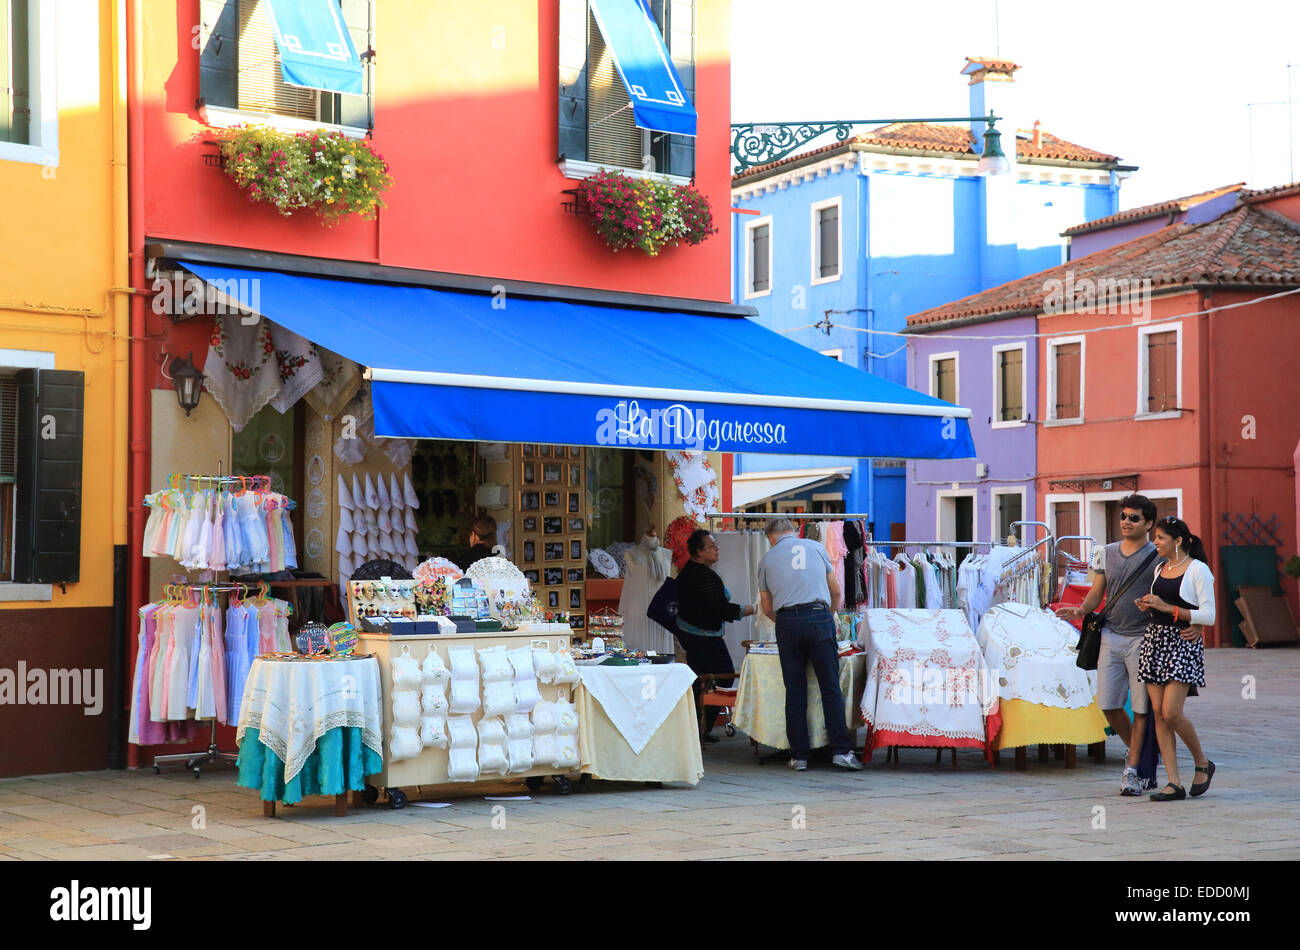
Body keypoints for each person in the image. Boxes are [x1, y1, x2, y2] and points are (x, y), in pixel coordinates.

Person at [1056, 494, 1160, 796]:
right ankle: (1137, 753)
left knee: (1141, 708)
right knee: (1109, 705)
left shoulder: (1157, 556)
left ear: (1149, 523)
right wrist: (1079, 609)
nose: (1126, 522)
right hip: (1110, 636)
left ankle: (1132, 770)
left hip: (1144, 637)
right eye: (1124, 516)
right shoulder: (1106, 552)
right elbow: (1096, 592)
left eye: (1134, 518)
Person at [757, 518, 863, 772]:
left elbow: (767, 606)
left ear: (771, 537)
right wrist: (827, 616)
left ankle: (799, 756)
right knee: (830, 687)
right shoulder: (815, 548)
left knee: (795, 690)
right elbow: (836, 592)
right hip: (818, 616)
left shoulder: (767, 560)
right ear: (793, 531)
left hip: (787, 622)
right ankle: (841, 751)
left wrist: (784, 620)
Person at [1136, 516, 1216, 801]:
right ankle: (1173, 782)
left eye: (1160, 538)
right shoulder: (1161, 568)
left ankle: (1203, 762)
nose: (1155, 542)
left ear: (1178, 540)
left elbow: (1209, 614)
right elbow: (1162, 606)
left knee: (1171, 712)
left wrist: (1168, 608)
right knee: (1158, 714)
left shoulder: (1198, 570)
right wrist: (1149, 605)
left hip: (1182, 643)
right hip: (1155, 642)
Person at [675, 529, 755, 742]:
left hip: (694, 635)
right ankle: (700, 729)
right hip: (702, 637)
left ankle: (698, 729)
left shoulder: (691, 571)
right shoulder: (701, 575)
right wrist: (752, 609)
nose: (717, 549)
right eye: (711, 546)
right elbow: (719, 608)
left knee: (702, 680)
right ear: (699, 552)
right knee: (723, 676)